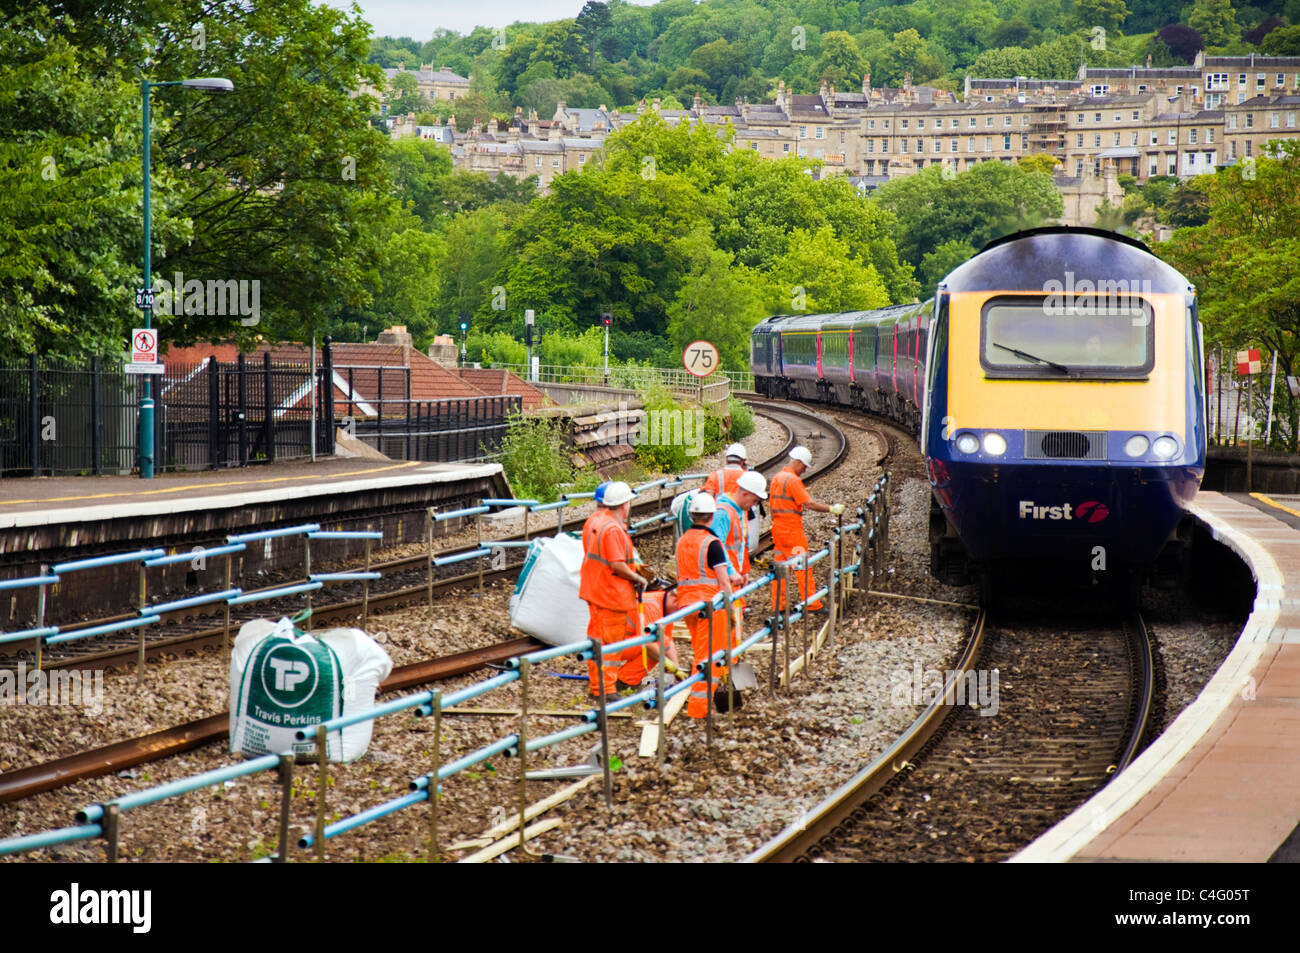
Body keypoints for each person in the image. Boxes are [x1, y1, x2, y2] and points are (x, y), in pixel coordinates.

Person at [675, 493, 744, 718]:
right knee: (708, 659)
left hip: (688, 605)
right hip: (711, 606)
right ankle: (699, 709)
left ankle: (729, 696)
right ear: (712, 516)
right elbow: (723, 580)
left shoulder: (683, 540)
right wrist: (731, 606)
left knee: (705, 651)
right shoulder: (712, 543)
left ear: (692, 515)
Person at [579, 481, 647, 701]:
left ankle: (598, 686)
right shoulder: (612, 529)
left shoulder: (594, 522)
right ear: (623, 505)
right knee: (610, 645)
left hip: (596, 589)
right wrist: (638, 577)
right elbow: (617, 564)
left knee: (598, 640)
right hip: (611, 595)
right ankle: (605, 691)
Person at [768, 447, 845, 613]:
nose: (804, 471)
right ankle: (812, 603)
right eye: (804, 467)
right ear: (798, 462)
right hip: (791, 531)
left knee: (780, 568)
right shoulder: (792, 480)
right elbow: (808, 503)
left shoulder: (777, 478)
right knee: (803, 566)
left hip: (778, 529)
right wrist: (831, 509)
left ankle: (778, 606)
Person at [614, 583, 681, 691]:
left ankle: (626, 679)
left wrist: (677, 669)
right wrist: (667, 664)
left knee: (660, 646)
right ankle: (625, 682)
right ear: (675, 600)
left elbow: (668, 641)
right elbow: (646, 642)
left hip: (621, 642)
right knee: (655, 649)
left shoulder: (666, 609)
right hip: (608, 645)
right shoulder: (651, 605)